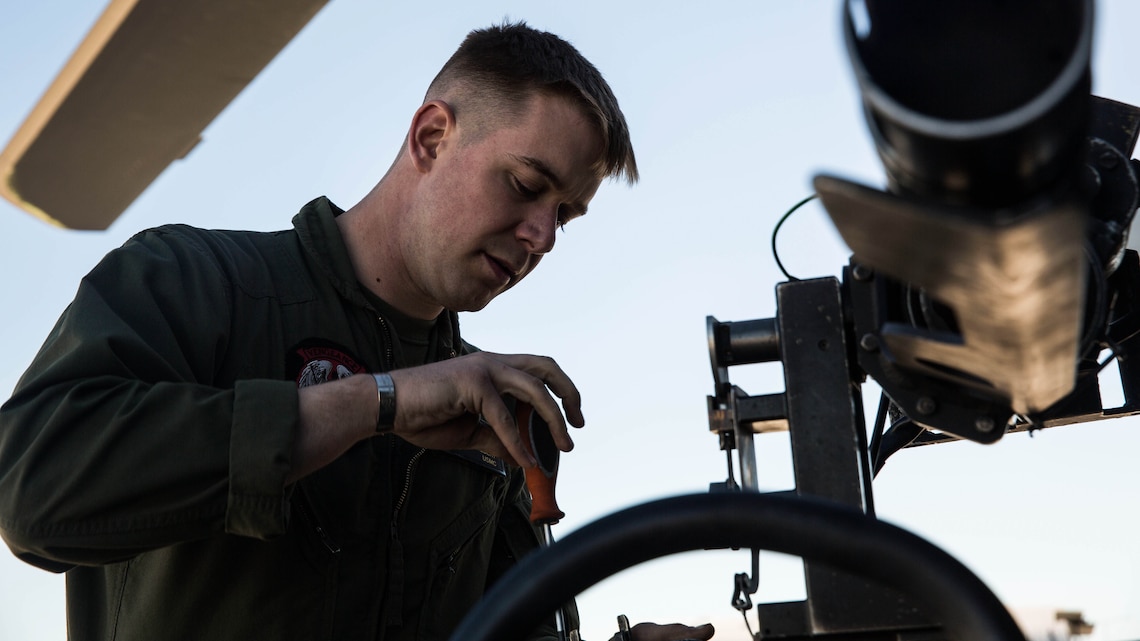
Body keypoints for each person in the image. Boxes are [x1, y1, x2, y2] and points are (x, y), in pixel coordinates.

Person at [0, 21, 714, 641]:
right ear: (432, 137)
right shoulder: (194, 280)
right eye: (527, 186)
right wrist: (373, 404)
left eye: (567, 215)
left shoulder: (495, 414)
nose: (542, 236)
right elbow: (31, 489)